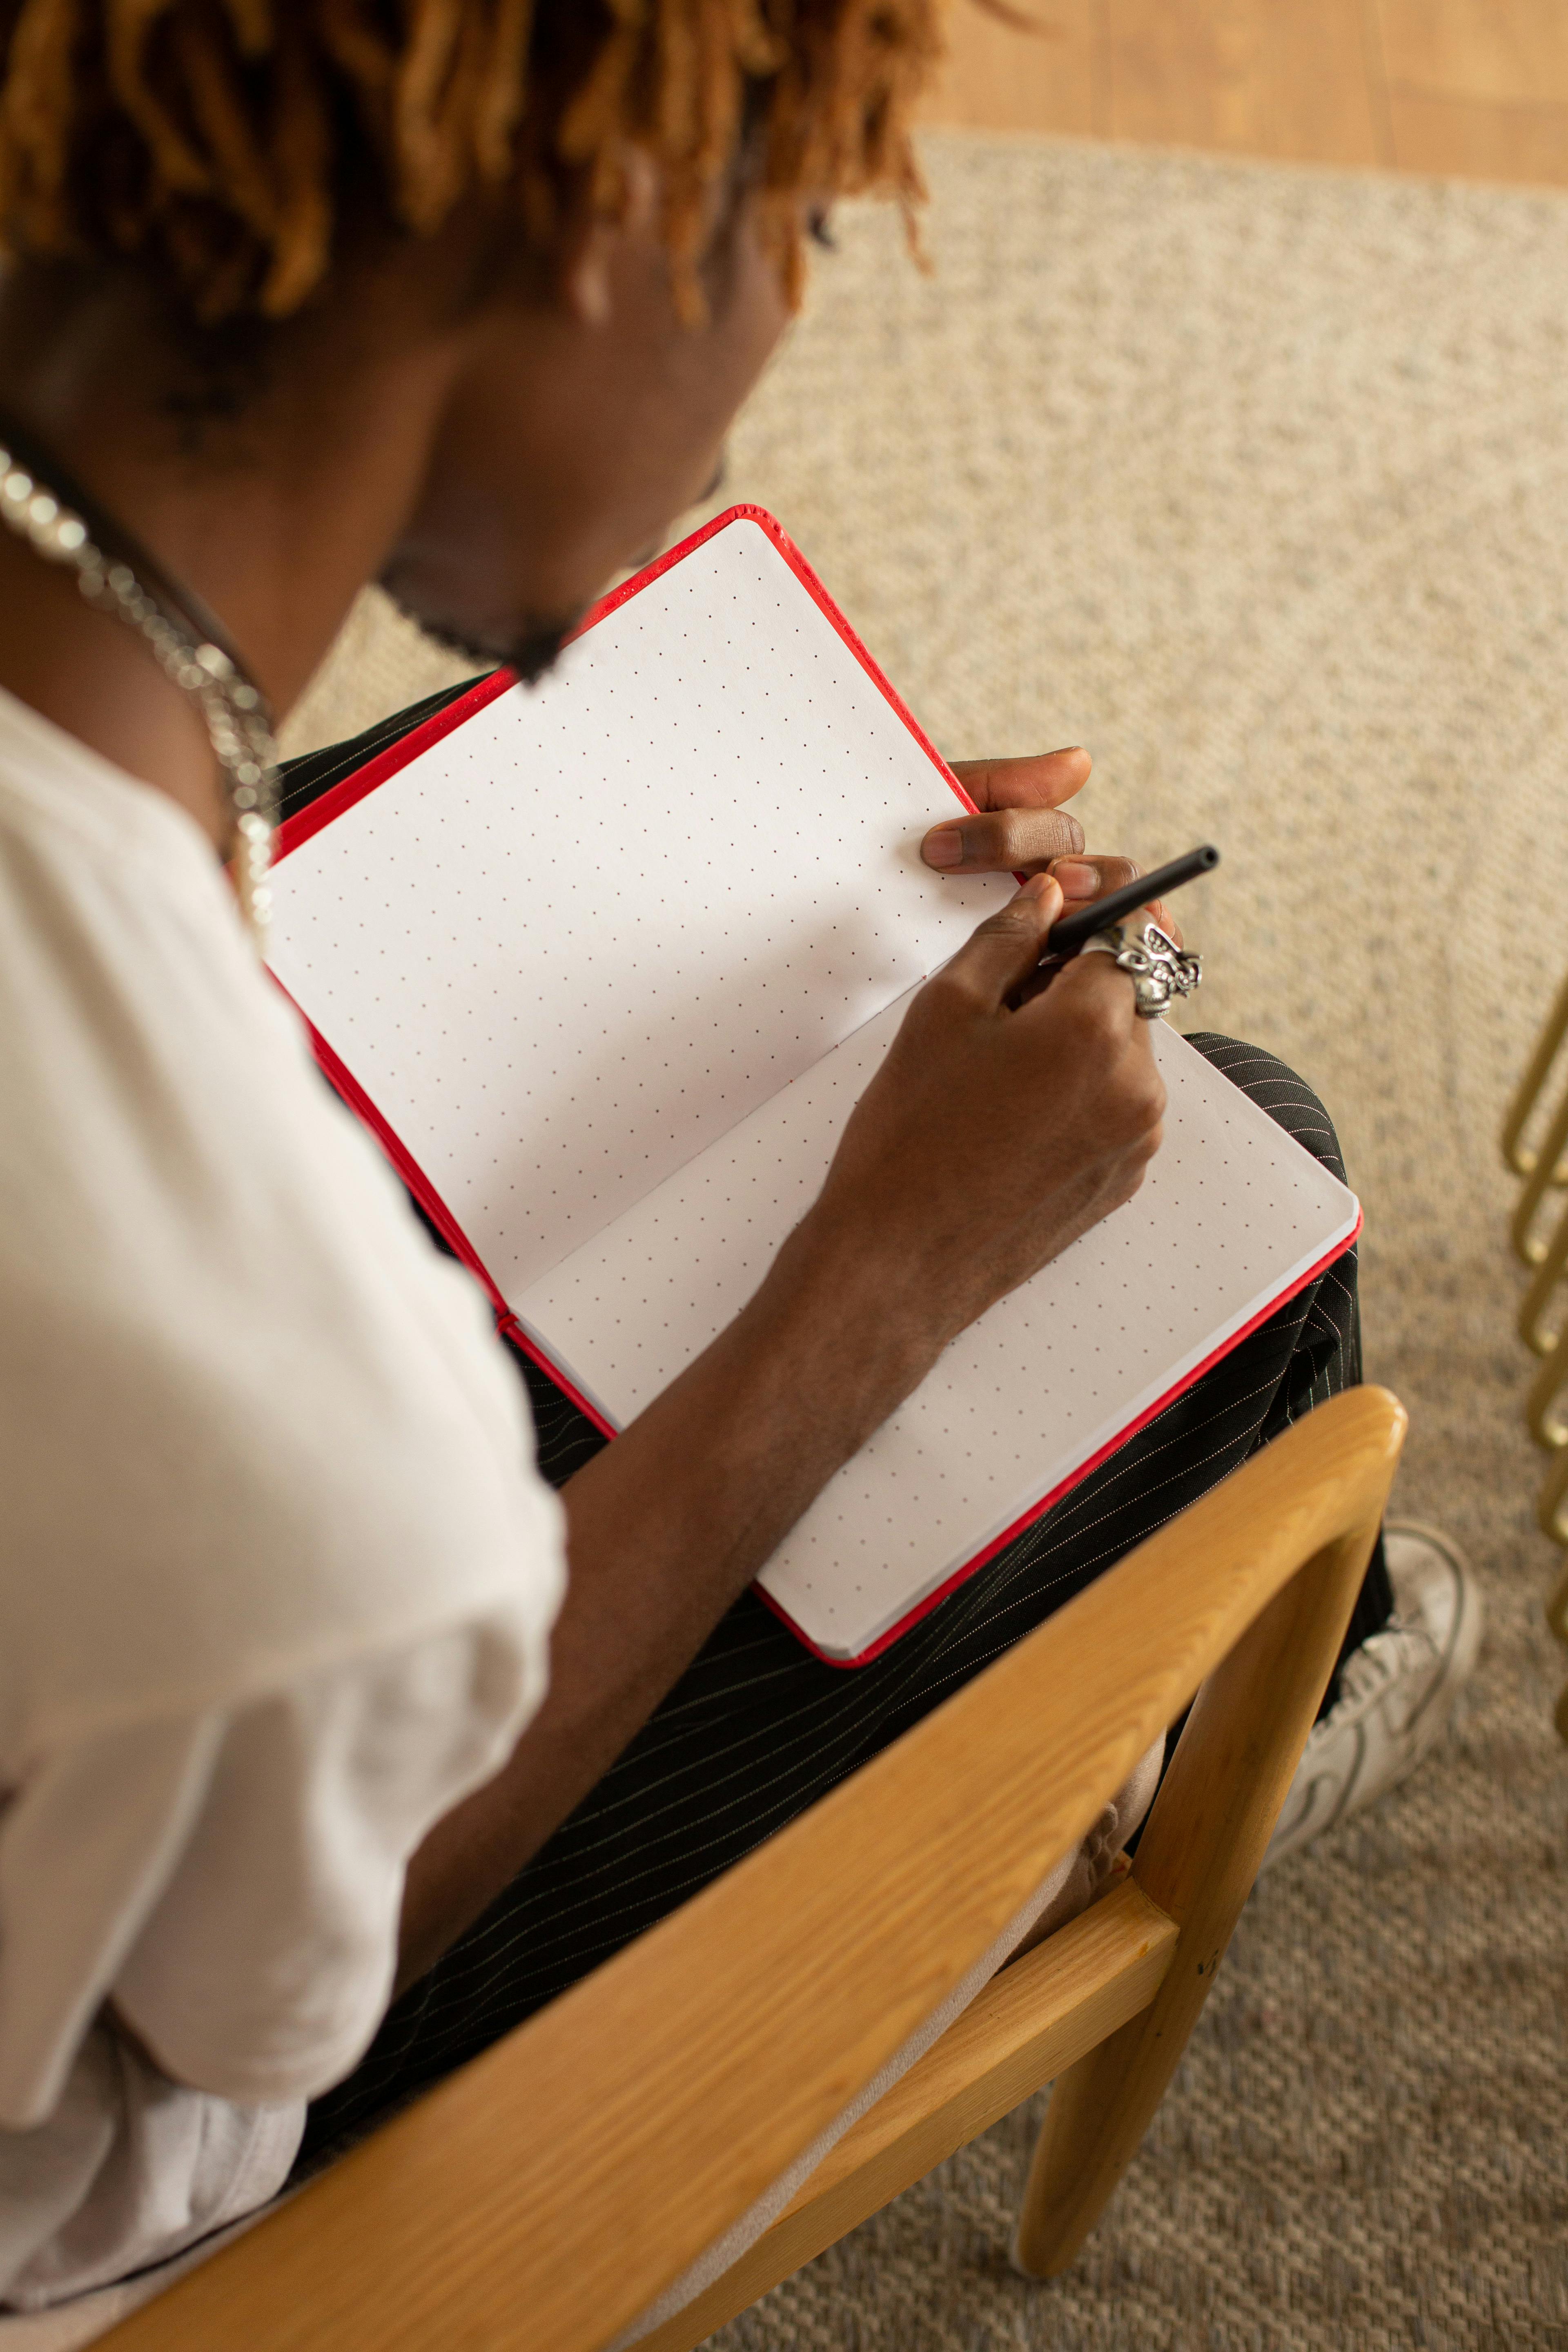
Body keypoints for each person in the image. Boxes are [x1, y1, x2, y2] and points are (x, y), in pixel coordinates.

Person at [0, 0, 1481, 2321]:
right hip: (156, 2139)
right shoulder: (280, 1392)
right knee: (1251, 1205)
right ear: (604, 230)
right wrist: (879, 1272)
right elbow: (291, 1969)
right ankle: (1183, 1747)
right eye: (789, 213)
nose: (783, 313)